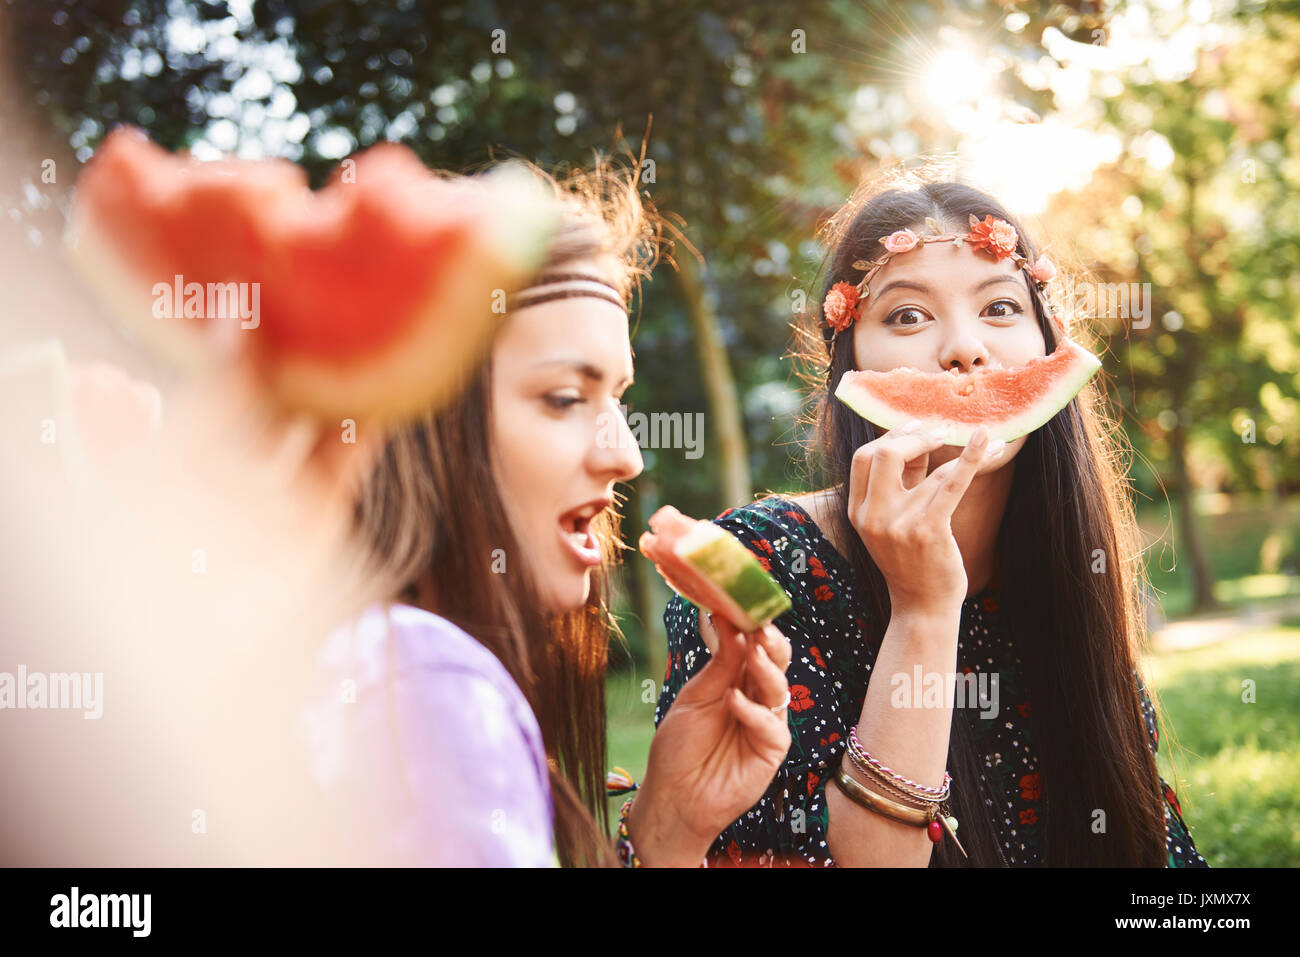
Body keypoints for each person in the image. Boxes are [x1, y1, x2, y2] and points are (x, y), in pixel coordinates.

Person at [652, 172, 1209, 867]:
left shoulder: (1064, 568)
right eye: (908, 316)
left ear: (1052, 345)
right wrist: (921, 608)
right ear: (848, 361)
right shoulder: (757, 564)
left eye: (1001, 307)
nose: (964, 349)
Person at [301, 155, 793, 867]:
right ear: (414, 420)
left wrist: (666, 831)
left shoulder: (364, 664)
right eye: (565, 396)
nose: (626, 454)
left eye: (617, 397)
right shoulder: (426, 680)